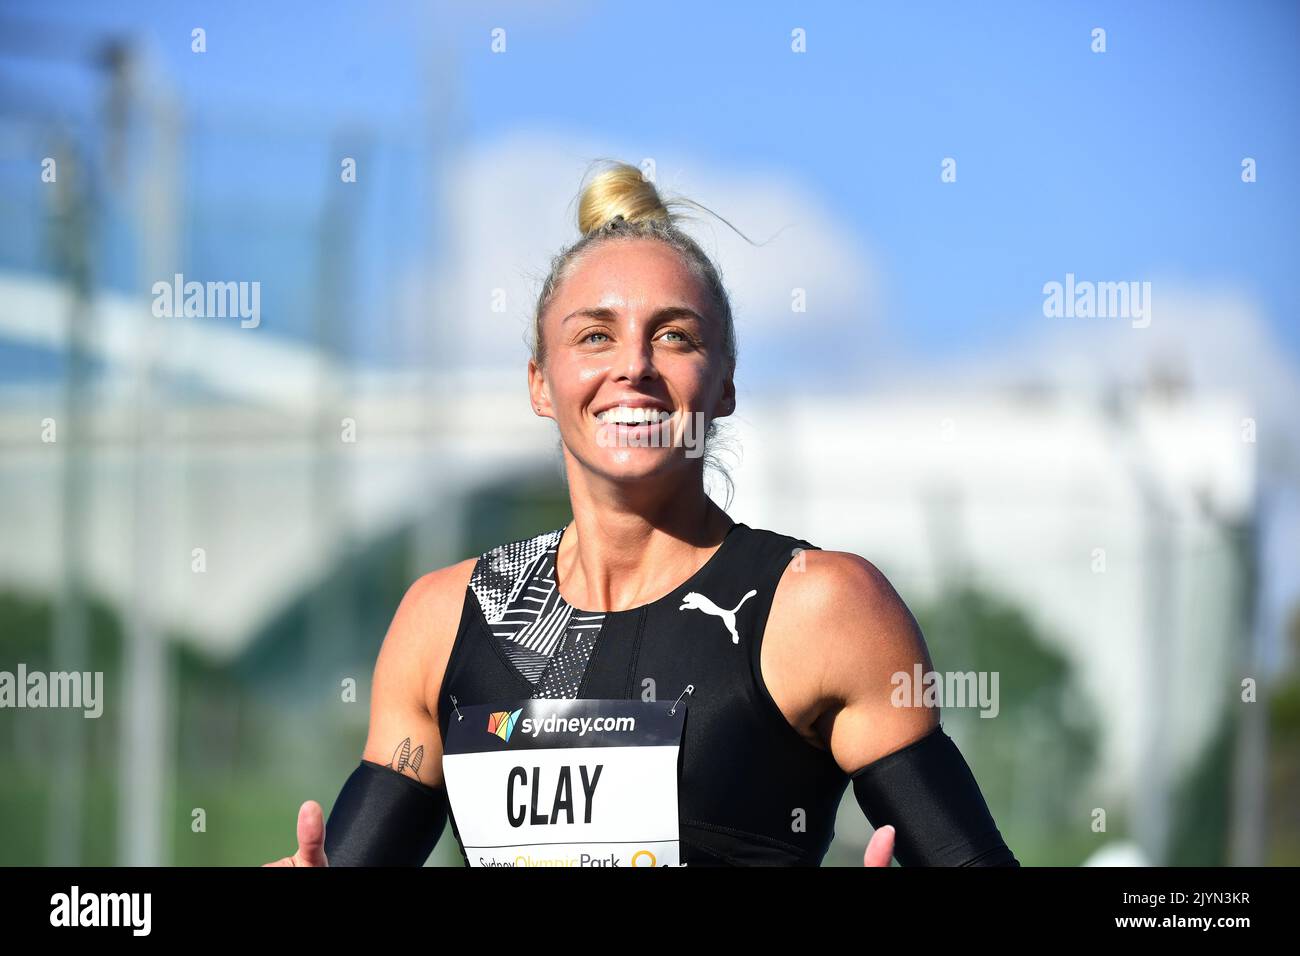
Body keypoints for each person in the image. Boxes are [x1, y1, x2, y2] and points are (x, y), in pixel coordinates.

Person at [264, 161, 1017, 868]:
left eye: (675, 335)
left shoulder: (819, 607)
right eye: (595, 335)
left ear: (724, 385)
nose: (634, 366)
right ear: (539, 383)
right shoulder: (446, 619)